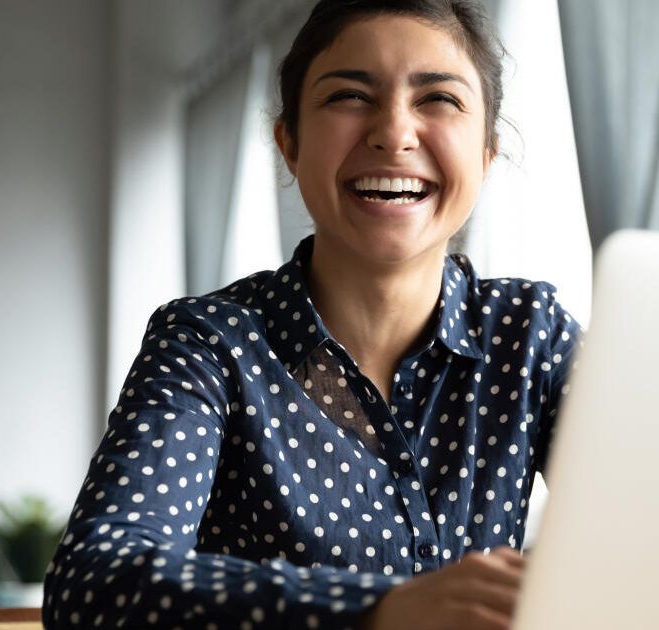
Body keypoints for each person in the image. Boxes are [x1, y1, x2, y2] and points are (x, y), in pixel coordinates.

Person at [43, 1, 582, 628]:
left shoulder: (531, 334)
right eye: (350, 96)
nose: (395, 132)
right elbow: (94, 583)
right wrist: (379, 610)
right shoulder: (207, 343)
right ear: (289, 144)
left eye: (438, 99)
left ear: (486, 152)